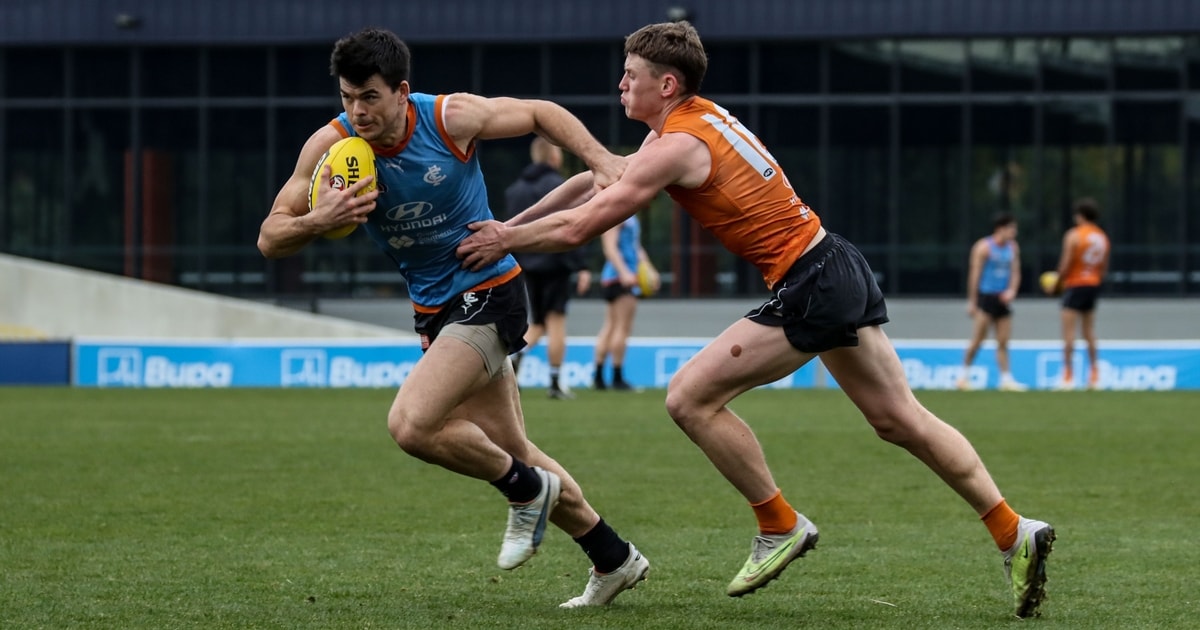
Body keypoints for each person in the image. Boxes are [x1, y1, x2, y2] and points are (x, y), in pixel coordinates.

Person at [458, 20, 1054, 618]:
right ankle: (1013, 531)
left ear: (666, 84)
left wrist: (506, 239)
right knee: (900, 420)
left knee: (689, 397)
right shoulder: (689, 123)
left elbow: (584, 225)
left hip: (810, 281)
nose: (620, 85)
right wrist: (508, 229)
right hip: (831, 262)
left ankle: (779, 524)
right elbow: (594, 180)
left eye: (630, 76)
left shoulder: (677, 146)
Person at [257, 27, 648, 608]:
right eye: (347, 97)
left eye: (369, 96)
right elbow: (270, 238)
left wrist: (600, 159)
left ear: (401, 91)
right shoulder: (331, 149)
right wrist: (320, 219)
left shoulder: (449, 119)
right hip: (434, 309)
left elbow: (540, 113)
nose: (356, 111)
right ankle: (613, 557)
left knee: (412, 425)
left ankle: (524, 493)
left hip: (490, 289)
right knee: (513, 447)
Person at [505, 137, 592, 400]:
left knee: (538, 321)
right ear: (555, 157)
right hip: (556, 262)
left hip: (527, 264)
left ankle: (516, 356)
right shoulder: (560, 187)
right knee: (556, 321)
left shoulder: (515, 190)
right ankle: (555, 383)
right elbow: (572, 225)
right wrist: (582, 266)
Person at [958, 213, 1028, 392]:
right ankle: (963, 376)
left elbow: (1016, 272)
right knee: (978, 339)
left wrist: (1012, 291)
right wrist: (972, 301)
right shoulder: (983, 247)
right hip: (986, 297)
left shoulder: (1012, 248)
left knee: (1003, 341)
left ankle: (1005, 379)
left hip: (1003, 298)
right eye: (1011, 229)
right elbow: (975, 274)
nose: (1014, 232)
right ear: (1000, 229)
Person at [1047, 197, 1110, 390]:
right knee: (1089, 332)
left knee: (1069, 333)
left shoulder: (1074, 235)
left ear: (1079, 215)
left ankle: (1067, 376)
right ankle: (1094, 375)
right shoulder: (1102, 237)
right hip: (1093, 285)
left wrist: (1056, 284)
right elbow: (1104, 268)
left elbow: (1065, 265)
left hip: (1075, 285)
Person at [593, 214, 659, 391]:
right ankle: (617, 376)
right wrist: (624, 273)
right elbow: (610, 247)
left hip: (617, 277)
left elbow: (636, 247)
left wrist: (650, 270)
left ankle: (599, 376)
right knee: (622, 327)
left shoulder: (629, 215)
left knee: (611, 326)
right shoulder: (618, 213)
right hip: (621, 277)